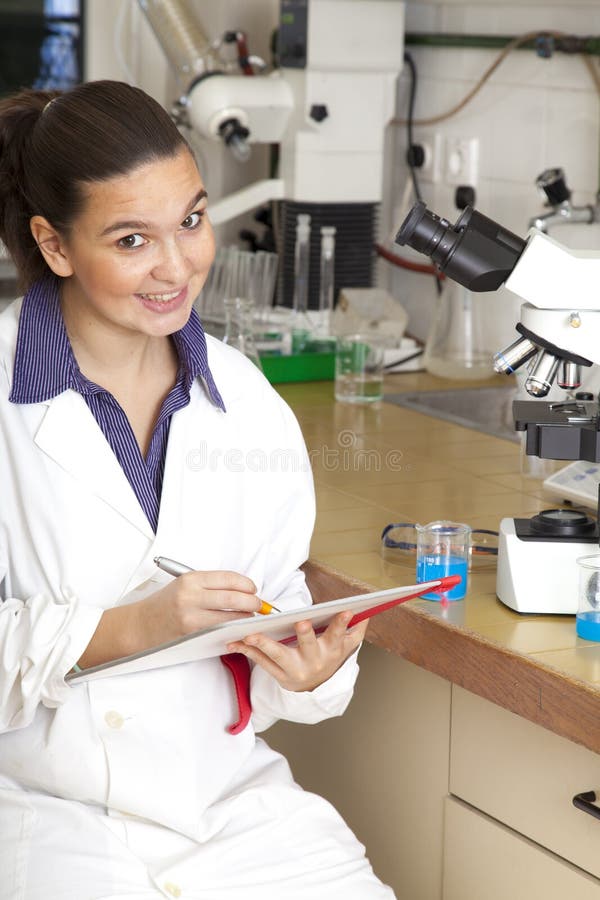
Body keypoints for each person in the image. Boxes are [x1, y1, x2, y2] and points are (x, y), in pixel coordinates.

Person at [0, 80, 395, 900]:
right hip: (40, 813)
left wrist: (308, 668)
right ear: (56, 244)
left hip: (228, 814)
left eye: (190, 220)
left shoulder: (247, 402)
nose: (178, 267)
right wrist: (134, 626)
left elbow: (274, 597)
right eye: (133, 239)